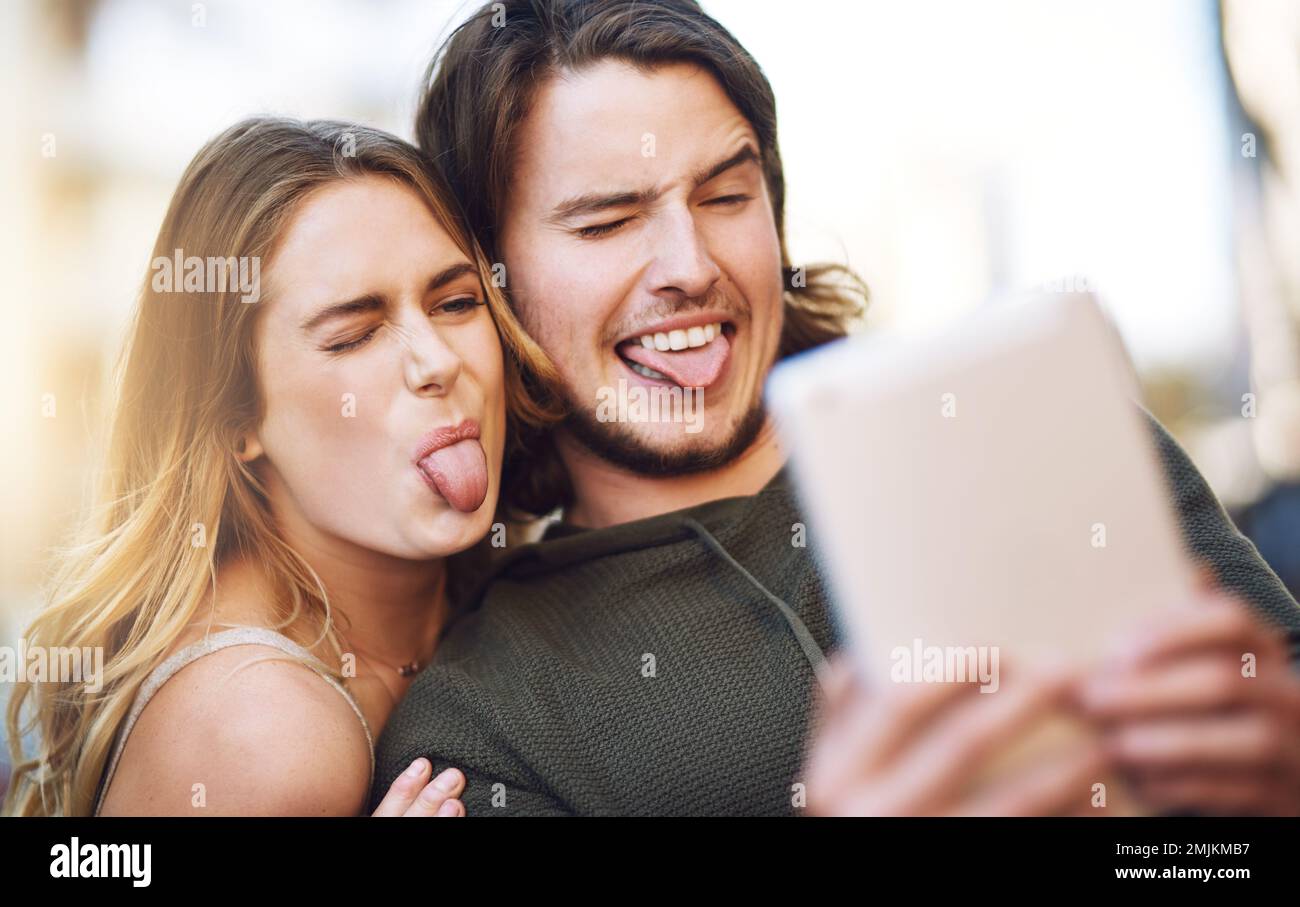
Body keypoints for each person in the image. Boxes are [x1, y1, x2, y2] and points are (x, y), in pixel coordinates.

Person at [372, 0, 1300, 816]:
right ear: (487, 280)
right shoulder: (482, 731)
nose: (692, 264)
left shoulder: (1033, 434)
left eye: (726, 194)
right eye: (607, 222)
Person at [3, 117, 561, 816]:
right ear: (238, 417)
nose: (438, 361)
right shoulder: (262, 729)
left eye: (455, 302)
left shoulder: (499, 586)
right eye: (353, 335)